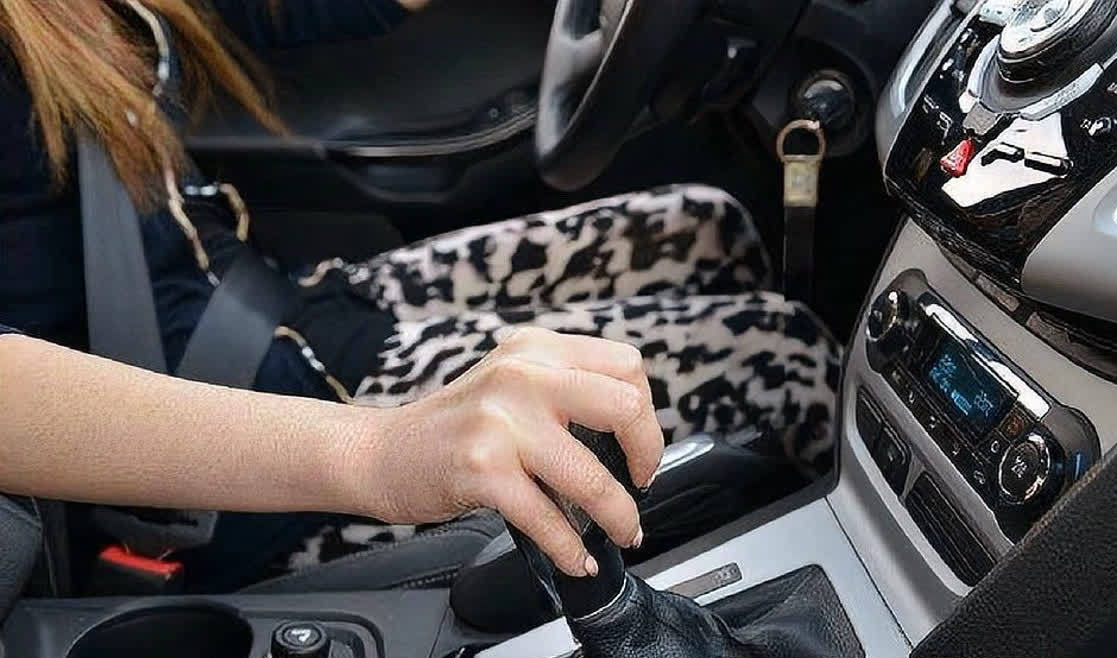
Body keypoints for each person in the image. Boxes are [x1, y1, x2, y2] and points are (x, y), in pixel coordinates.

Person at [0, 0, 842, 590]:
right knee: (781, 356)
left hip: (285, 312)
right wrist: (379, 452)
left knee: (702, 227)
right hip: (226, 454)